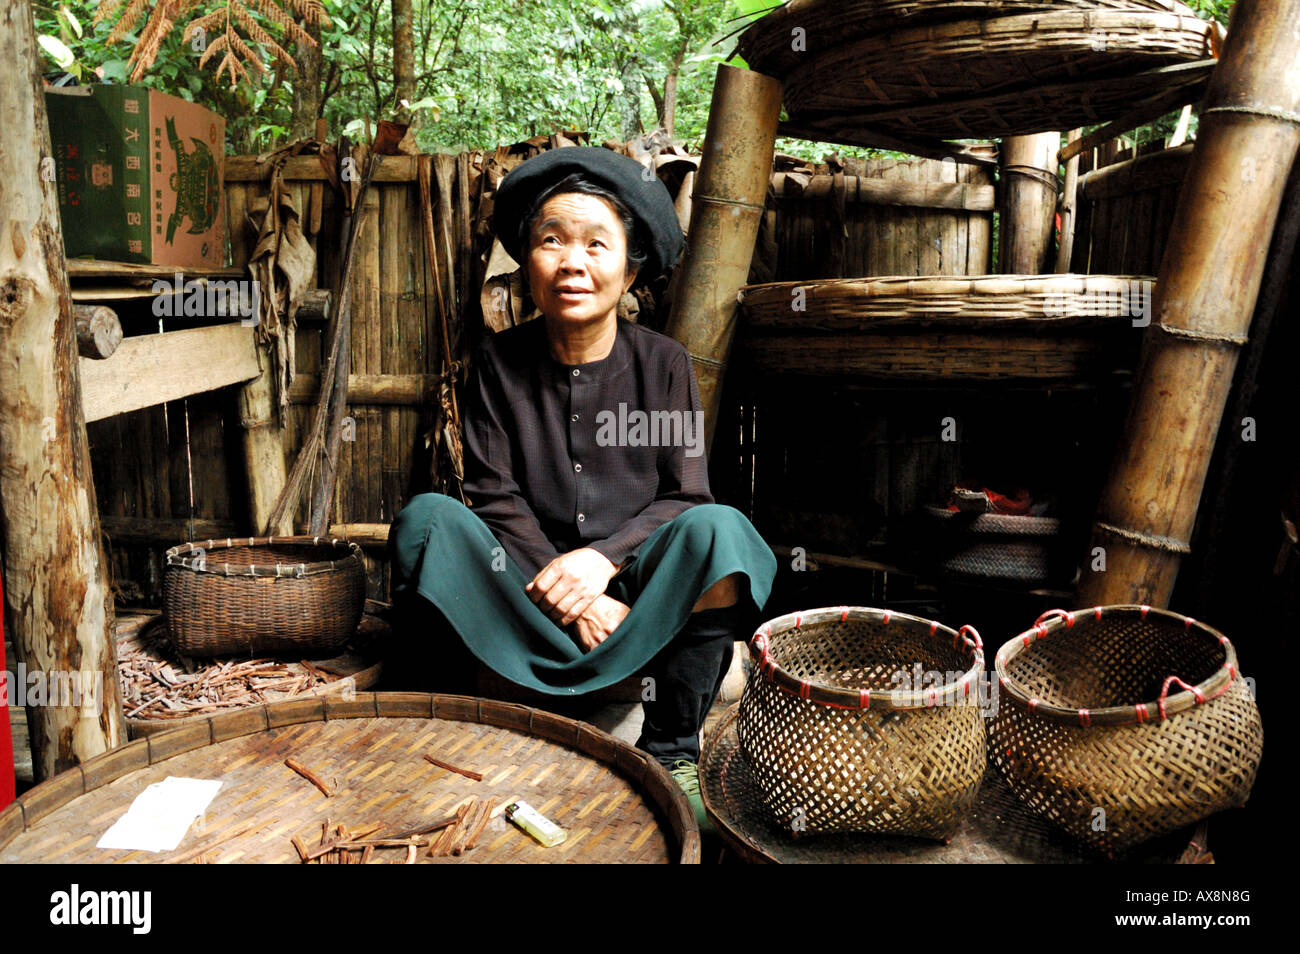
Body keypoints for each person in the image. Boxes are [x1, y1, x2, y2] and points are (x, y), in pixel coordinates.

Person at [388, 147, 777, 819]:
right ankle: (447, 719)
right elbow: (492, 497)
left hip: (631, 598)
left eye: (597, 245)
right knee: (426, 520)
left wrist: (602, 563)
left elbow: (686, 495)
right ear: (527, 265)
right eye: (552, 241)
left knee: (721, 532)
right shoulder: (497, 364)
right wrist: (570, 594)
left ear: (629, 269)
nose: (573, 261)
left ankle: (672, 747)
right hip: (525, 589)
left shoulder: (664, 364)